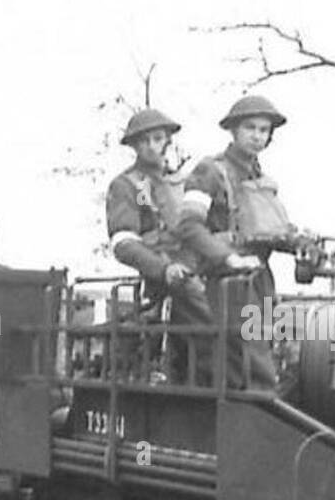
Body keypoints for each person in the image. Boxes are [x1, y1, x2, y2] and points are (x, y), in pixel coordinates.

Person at [175, 93, 306, 391]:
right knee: (250, 365)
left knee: (264, 353)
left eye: (264, 130)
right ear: (234, 130)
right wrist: (228, 258)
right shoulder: (211, 171)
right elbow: (188, 226)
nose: (258, 136)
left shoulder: (263, 180)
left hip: (259, 280)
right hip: (227, 283)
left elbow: (267, 229)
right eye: (251, 128)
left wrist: (297, 240)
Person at [106, 107, 213, 384]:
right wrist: (164, 269)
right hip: (166, 279)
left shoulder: (182, 183)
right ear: (134, 146)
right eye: (144, 141)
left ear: (168, 140)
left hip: (200, 267)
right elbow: (123, 242)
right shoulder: (127, 185)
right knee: (209, 321)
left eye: (158, 138)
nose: (152, 146)